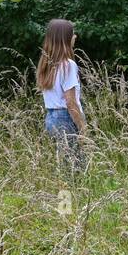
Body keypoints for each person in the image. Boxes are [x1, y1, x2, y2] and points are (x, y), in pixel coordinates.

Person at [36, 18, 87, 167]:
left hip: (51, 118)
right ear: (64, 39)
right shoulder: (68, 65)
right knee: (76, 168)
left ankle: (64, 189)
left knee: (64, 163)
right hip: (66, 118)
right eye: (72, 34)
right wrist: (83, 126)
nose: (75, 37)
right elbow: (70, 102)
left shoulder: (47, 65)